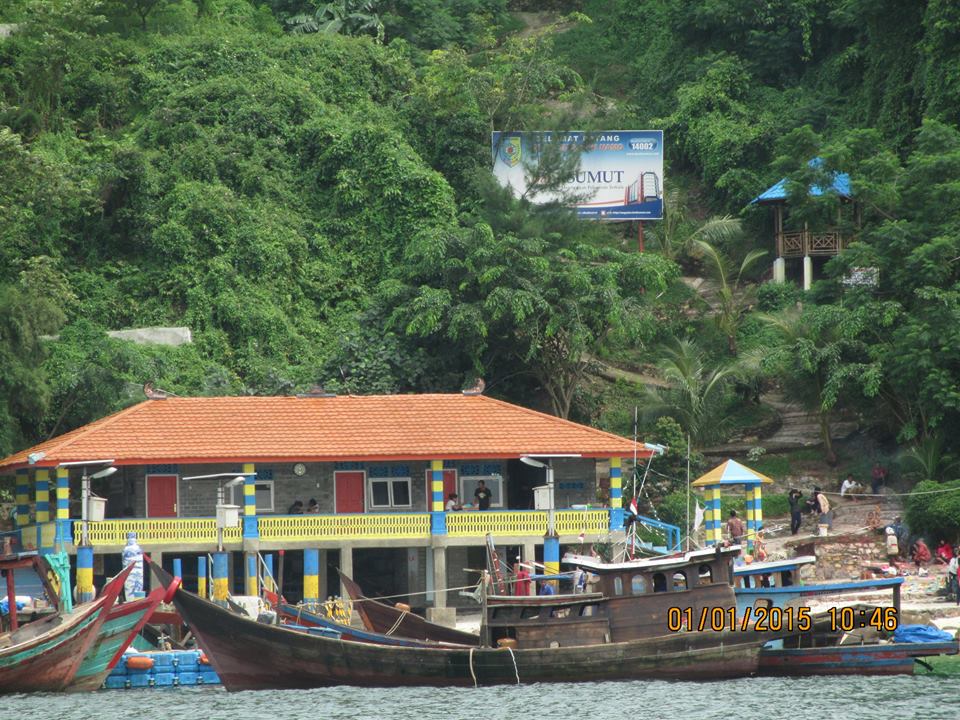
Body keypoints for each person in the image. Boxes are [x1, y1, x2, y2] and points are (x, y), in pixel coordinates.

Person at [122, 531, 144, 602]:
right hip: (137, 572)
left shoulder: (125, 549)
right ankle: (136, 600)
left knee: (130, 584)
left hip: (131, 574)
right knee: (137, 583)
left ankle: (129, 600)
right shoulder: (138, 549)